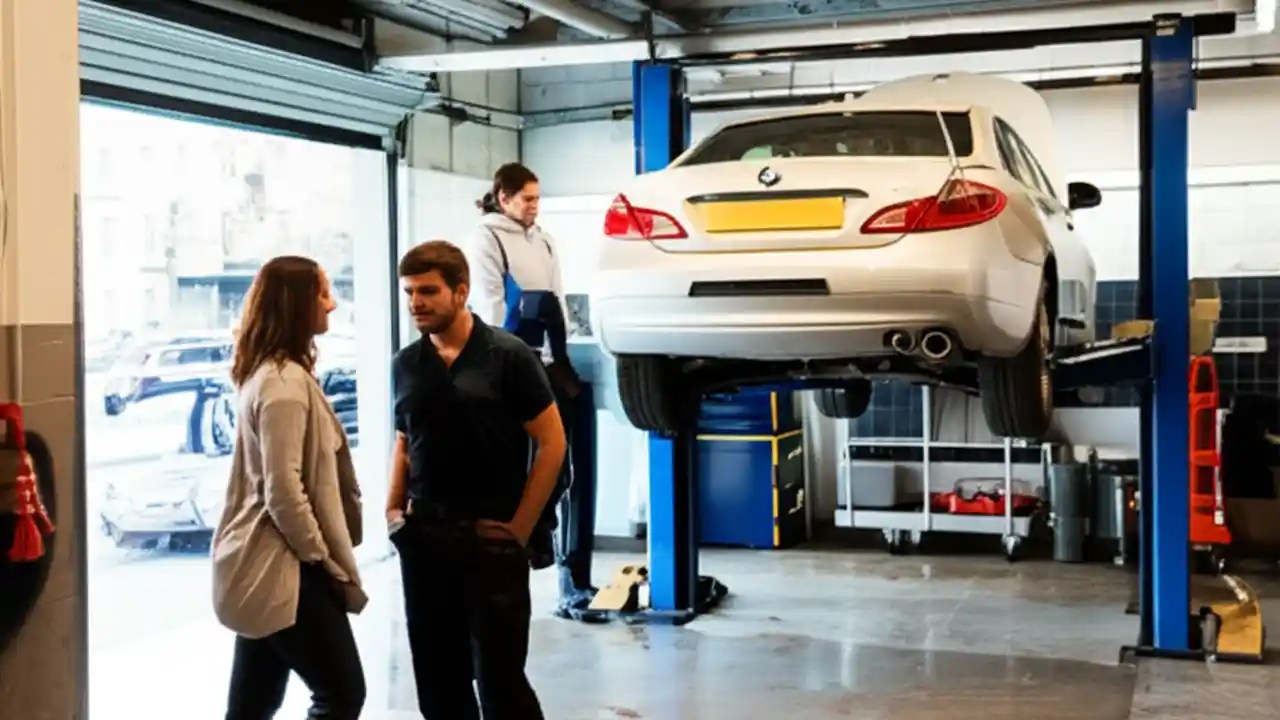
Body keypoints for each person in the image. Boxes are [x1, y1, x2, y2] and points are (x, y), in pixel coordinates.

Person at [388, 240, 565, 720]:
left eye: (427, 291)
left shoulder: (507, 356)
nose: (415, 303)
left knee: (501, 682)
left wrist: (521, 528)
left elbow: (552, 443)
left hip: (492, 539)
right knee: (439, 683)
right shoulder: (405, 364)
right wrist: (392, 510)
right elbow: (404, 439)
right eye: (409, 292)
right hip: (425, 539)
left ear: (460, 291)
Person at [211, 256, 368, 720]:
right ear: (297, 303)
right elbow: (284, 489)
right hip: (285, 563)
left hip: (268, 562)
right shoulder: (283, 384)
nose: (332, 304)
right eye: (323, 293)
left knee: (253, 703)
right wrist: (319, 557)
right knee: (341, 693)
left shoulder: (278, 374)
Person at [465, 161, 598, 619]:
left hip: (546, 359)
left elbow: (555, 300)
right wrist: (507, 359)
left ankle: (561, 561)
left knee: (561, 460)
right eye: (527, 199)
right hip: (506, 362)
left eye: (538, 198)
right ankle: (526, 540)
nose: (534, 207)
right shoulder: (488, 237)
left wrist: (558, 357)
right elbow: (490, 303)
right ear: (503, 197)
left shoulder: (542, 239)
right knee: (520, 464)